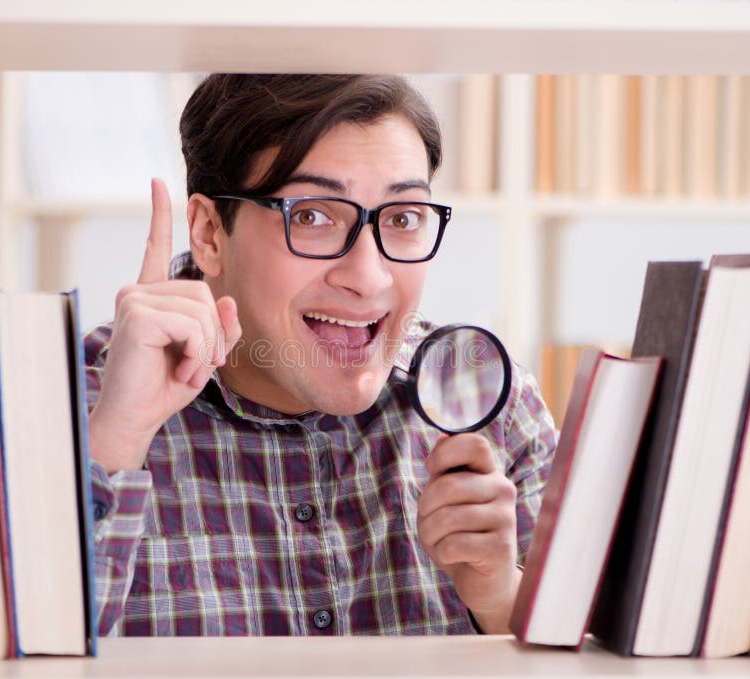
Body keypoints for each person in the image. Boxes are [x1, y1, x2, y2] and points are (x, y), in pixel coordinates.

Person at [85, 74, 557, 637]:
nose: (368, 276)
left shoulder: (496, 407)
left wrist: (498, 595)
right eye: (311, 215)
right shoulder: (75, 398)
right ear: (211, 233)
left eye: (402, 218)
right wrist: (116, 443)